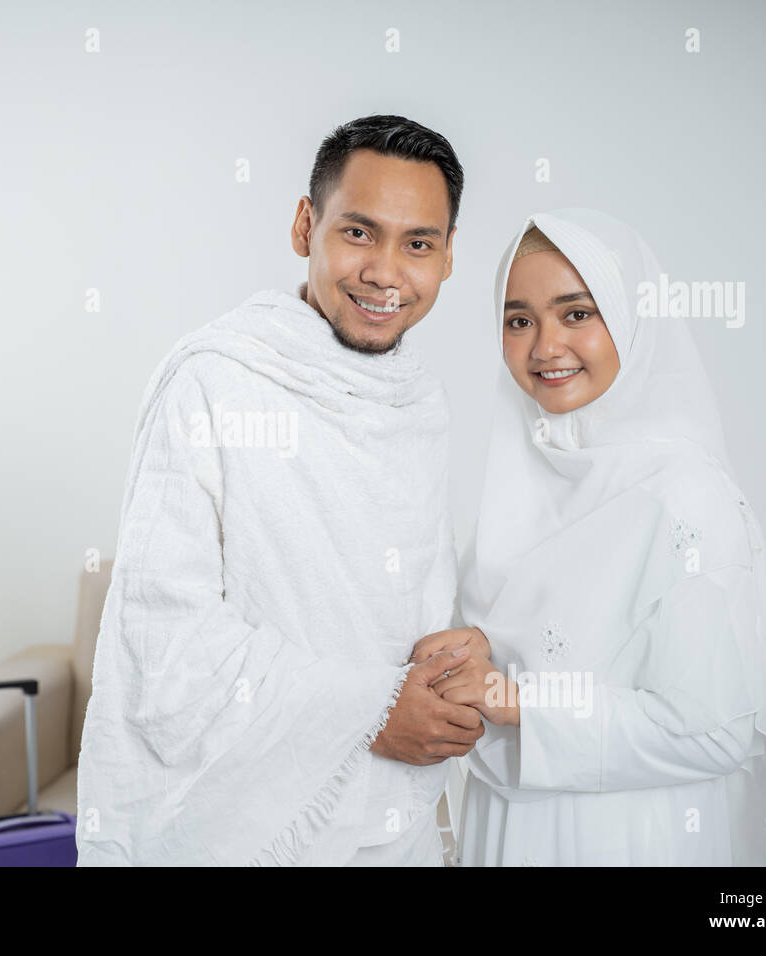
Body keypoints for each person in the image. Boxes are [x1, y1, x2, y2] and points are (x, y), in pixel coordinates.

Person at [75, 115, 484, 865]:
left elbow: (404, 609)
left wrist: (458, 662)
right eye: (359, 233)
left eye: (418, 243)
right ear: (306, 225)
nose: (387, 272)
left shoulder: (422, 407)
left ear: (449, 256)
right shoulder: (216, 382)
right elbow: (166, 644)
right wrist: (370, 712)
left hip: (395, 823)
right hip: (252, 828)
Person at [414, 208, 766, 865]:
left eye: (577, 313)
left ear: (630, 317)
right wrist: (479, 652)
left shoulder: (685, 494)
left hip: (625, 839)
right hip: (505, 831)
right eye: (519, 319)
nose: (544, 347)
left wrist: (514, 699)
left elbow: (713, 732)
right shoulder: (522, 482)